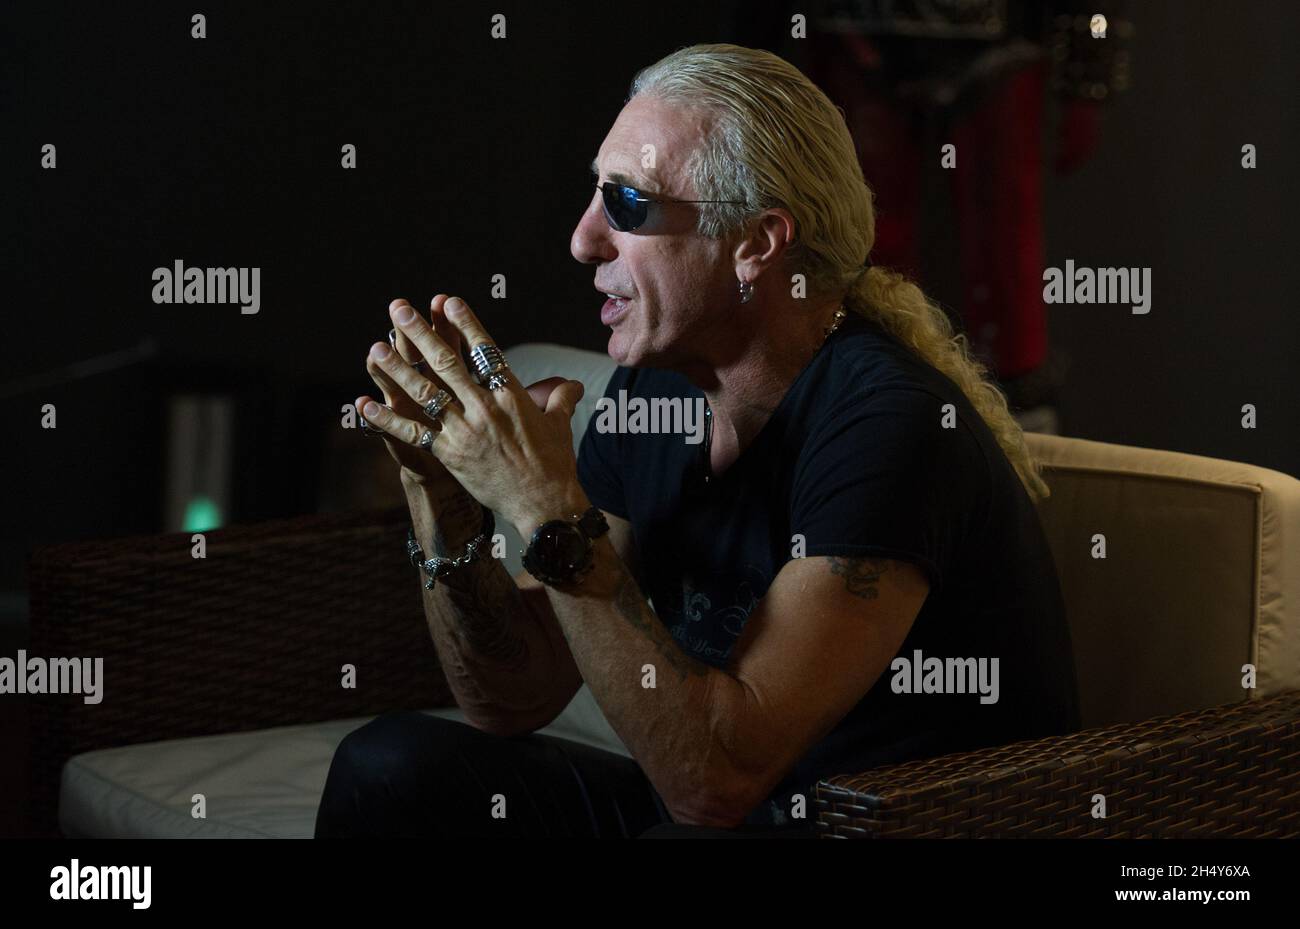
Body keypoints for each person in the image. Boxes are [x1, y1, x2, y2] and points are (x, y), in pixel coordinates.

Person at [316, 43, 1080, 839]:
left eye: (627, 204)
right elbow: (512, 696)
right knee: (389, 768)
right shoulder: (660, 390)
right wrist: (442, 499)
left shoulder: (889, 425)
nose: (583, 240)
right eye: (595, 195)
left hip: (883, 825)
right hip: (724, 816)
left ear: (756, 243)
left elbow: (716, 782)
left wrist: (546, 506)